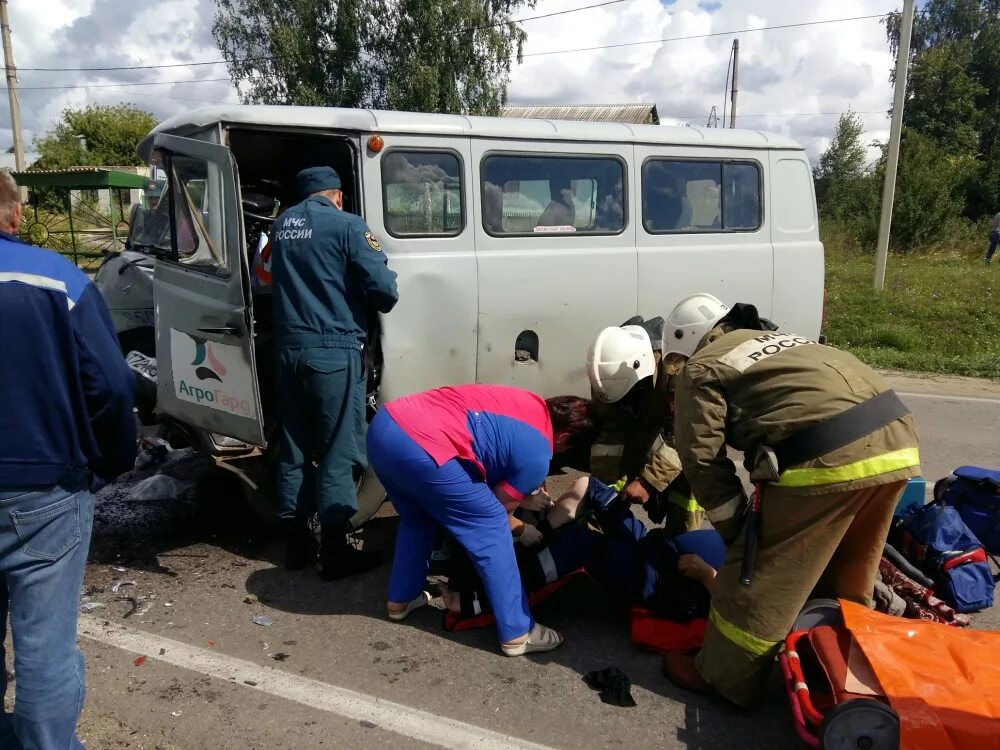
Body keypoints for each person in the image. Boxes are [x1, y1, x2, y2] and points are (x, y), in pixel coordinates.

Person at [657, 293, 920, 706]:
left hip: (829, 455)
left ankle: (722, 678)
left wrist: (740, 530)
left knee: (758, 578)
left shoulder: (703, 365)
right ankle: (838, 671)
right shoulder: (782, 340)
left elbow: (701, 458)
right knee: (849, 569)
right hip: (896, 442)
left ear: (687, 342)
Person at [0, 170, 136, 748]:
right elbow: (111, 386)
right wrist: (111, 461)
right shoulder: (54, 278)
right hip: (45, 490)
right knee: (43, 646)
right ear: (11, 216)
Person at [366, 385, 597, 655]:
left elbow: (488, 452)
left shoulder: (529, 401)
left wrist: (524, 497)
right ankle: (518, 631)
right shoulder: (539, 454)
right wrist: (523, 529)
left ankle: (402, 599)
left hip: (385, 426)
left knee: (417, 518)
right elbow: (497, 511)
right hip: (422, 444)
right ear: (564, 437)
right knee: (492, 529)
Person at [271, 166, 399, 580]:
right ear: (338, 196)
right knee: (337, 449)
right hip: (332, 351)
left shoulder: (280, 226)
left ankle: (296, 543)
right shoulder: (347, 226)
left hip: (288, 351)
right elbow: (385, 291)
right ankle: (336, 549)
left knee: (293, 445)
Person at [586, 321, 704, 536]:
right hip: (644, 422)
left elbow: (688, 436)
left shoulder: (678, 372)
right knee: (606, 492)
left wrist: (648, 482)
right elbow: (610, 433)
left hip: (685, 433)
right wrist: (603, 487)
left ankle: (683, 544)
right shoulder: (606, 374)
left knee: (691, 478)